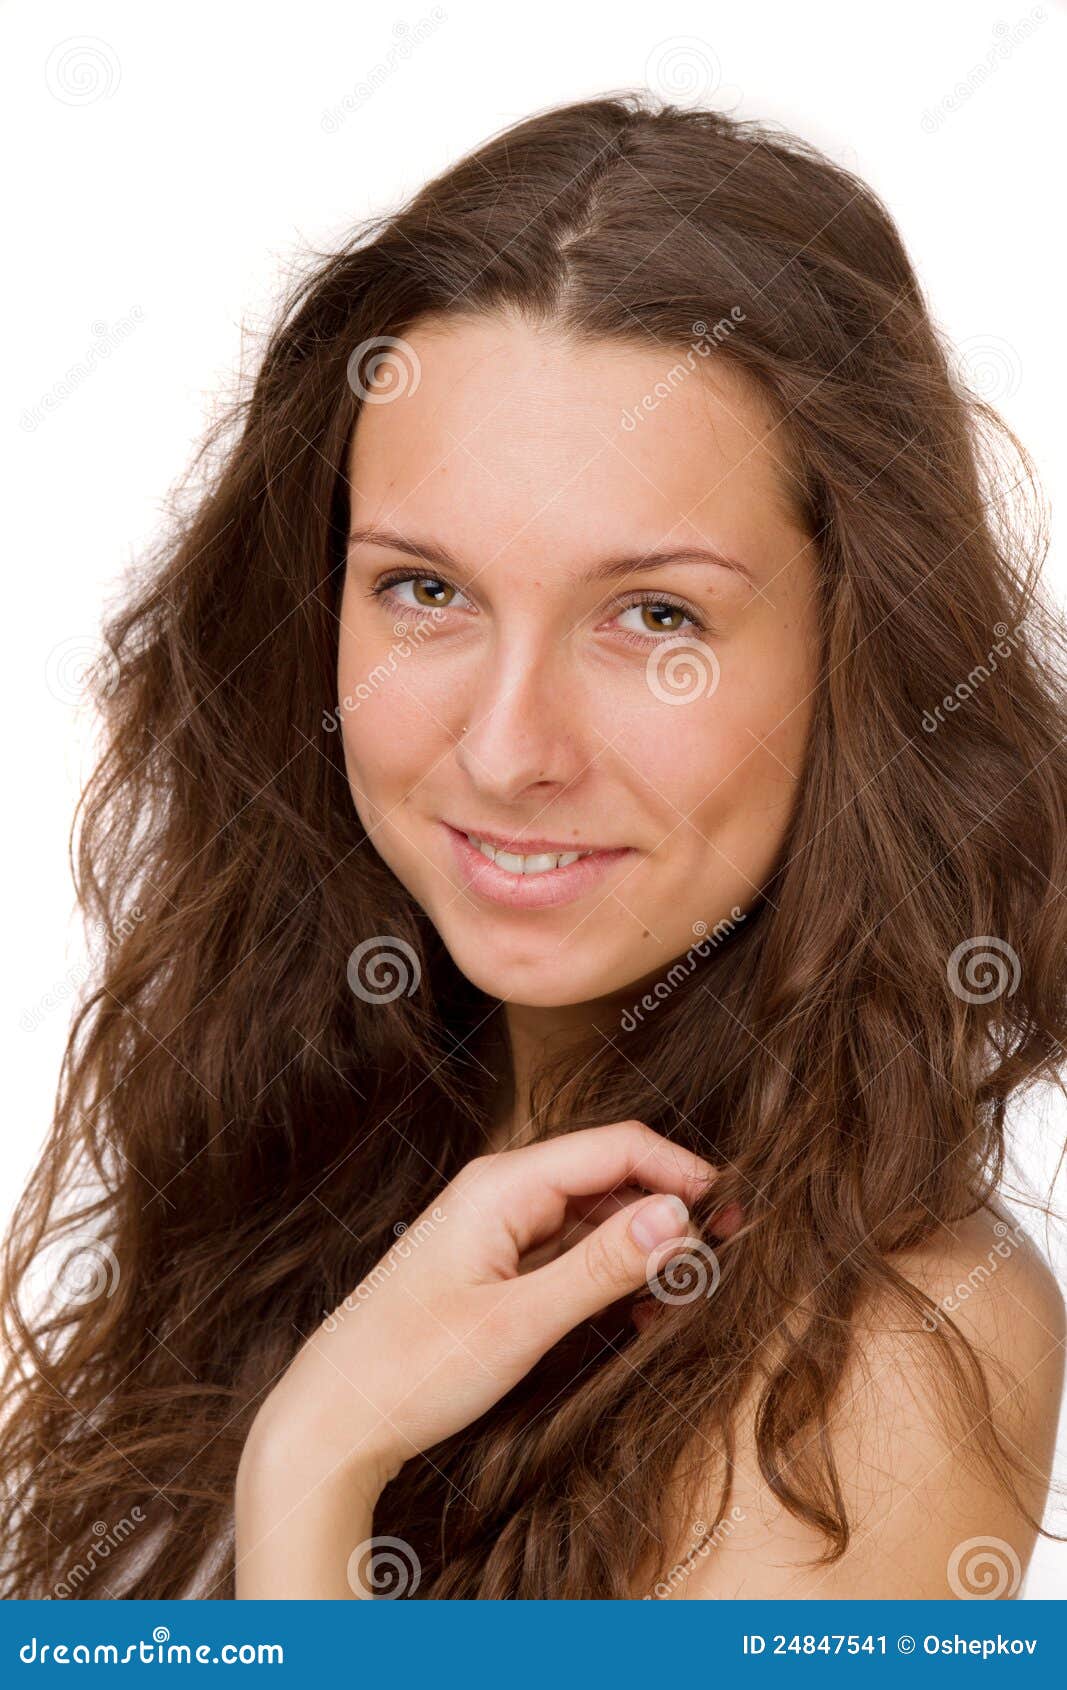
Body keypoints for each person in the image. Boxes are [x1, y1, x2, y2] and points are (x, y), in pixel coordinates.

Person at [2, 93, 1064, 1601]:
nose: (506, 747)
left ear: (857, 655)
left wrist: (317, 1462)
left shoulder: (893, 1340)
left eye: (655, 617)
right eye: (425, 590)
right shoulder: (293, 1122)